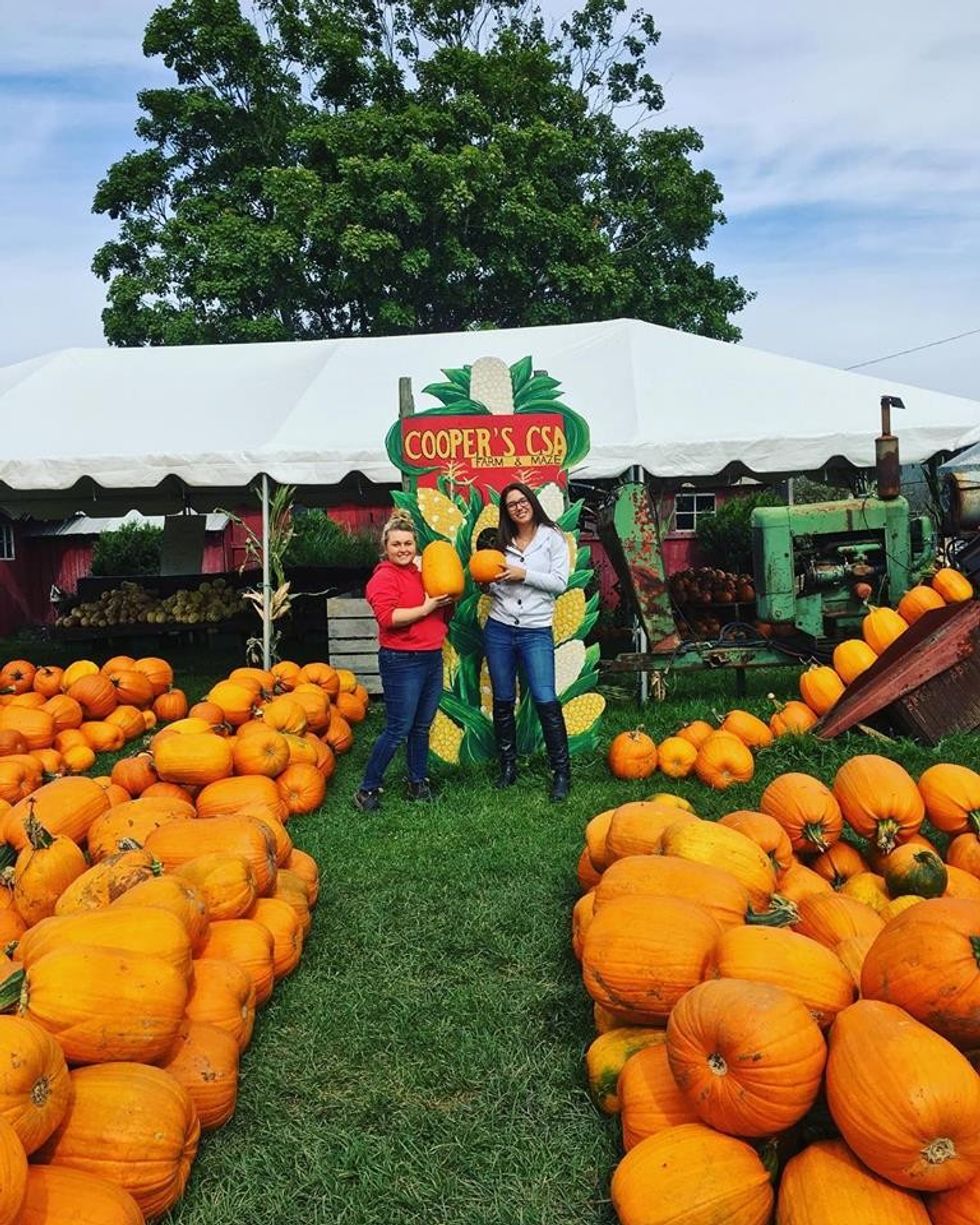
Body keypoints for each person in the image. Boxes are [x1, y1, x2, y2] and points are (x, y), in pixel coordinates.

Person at [353, 511, 453, 812]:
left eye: (408, 543)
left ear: (415, 545)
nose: (403, 549)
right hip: (402, 660)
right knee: (398, 727)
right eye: (396, 544)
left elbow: (443, 611)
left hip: (431, 657)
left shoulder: (422, 573)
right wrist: (426, 607)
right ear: (386, 546)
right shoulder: (383, 577)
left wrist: (446, 601)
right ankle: (366, 789)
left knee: (421, 727)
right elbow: (389, 618)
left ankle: (417, 783)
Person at [483, 481, 571, 801]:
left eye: (522, 501)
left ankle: (561, 772)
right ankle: (508, 768)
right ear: (505, 511)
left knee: (546, 698)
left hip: (535, 630)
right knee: (504, 699)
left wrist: (524, 574)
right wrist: (486, 584)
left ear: (532, 502)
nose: (518, 507)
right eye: (511, 504)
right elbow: (494, 584)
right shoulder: (498, 542)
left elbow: (560, 584)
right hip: (500, 628)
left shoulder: (552, 538)